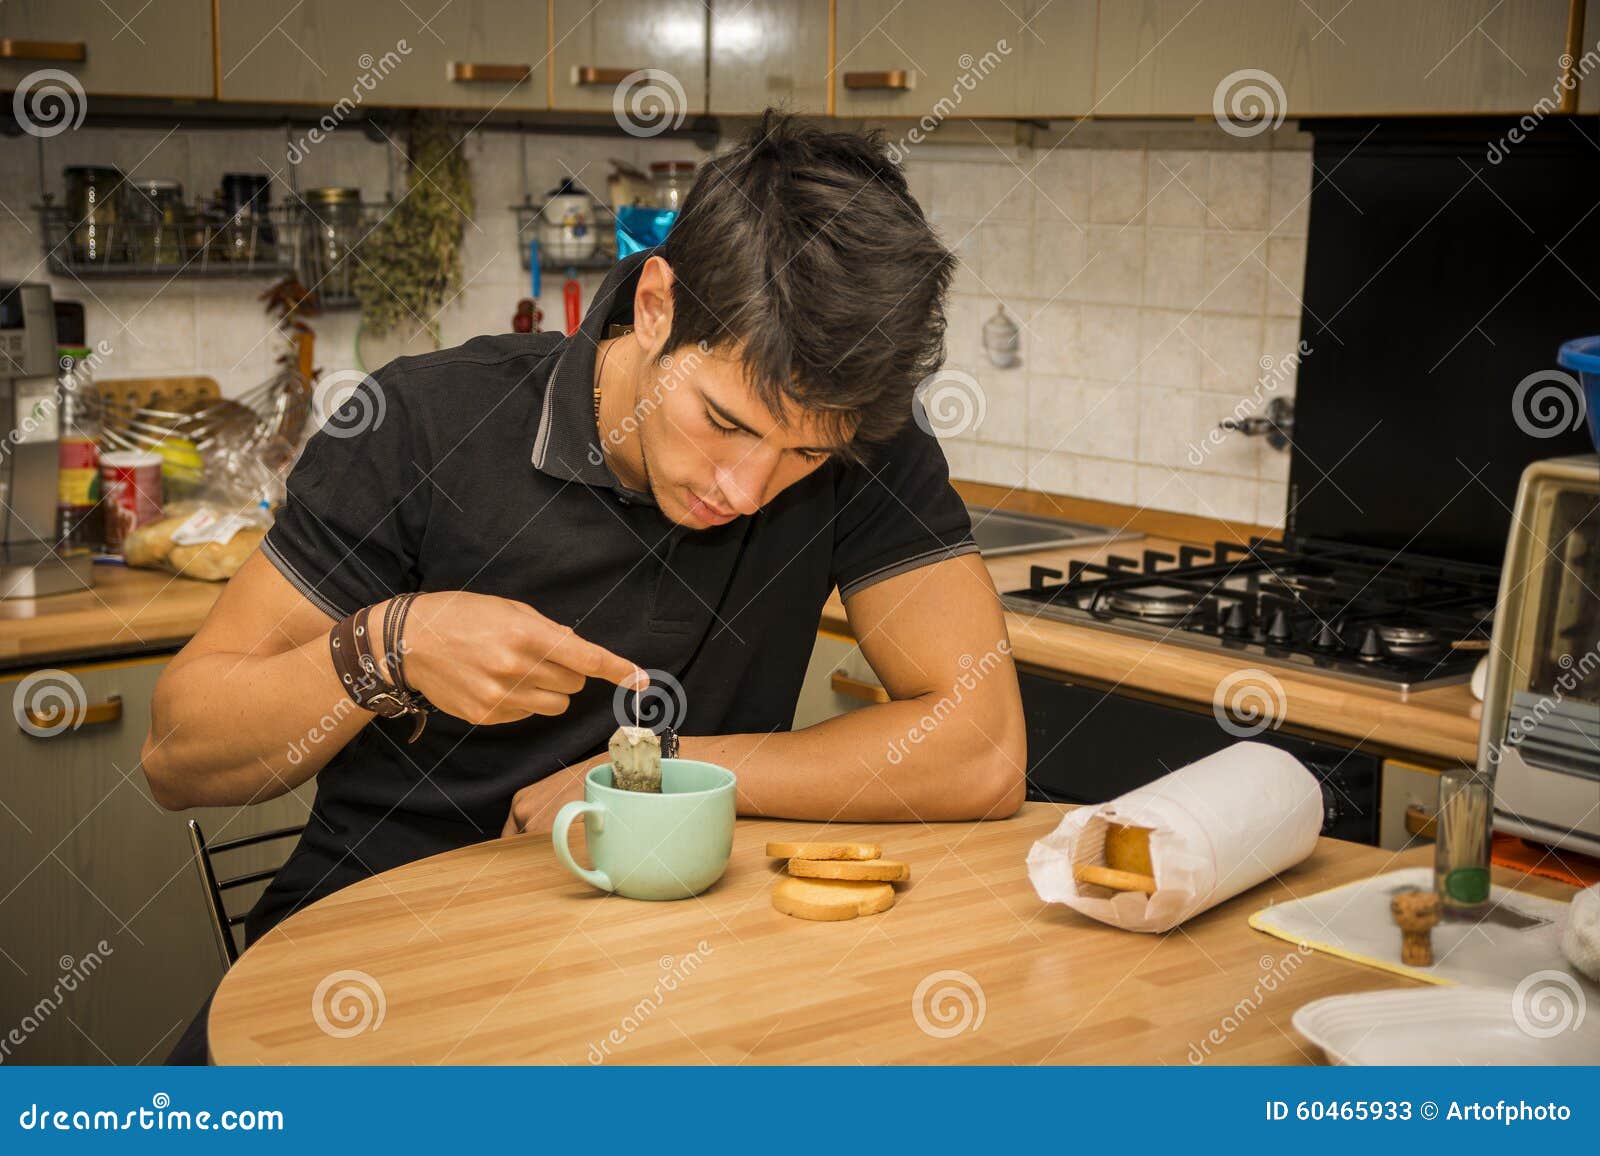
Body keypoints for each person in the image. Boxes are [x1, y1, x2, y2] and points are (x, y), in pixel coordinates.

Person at [145, 111, 1026, 1061]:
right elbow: (178, 754)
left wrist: (662, 774)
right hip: (376, 964)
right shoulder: (419, 424)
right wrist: (386, 647)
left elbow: (978, 751)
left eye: (803, 453)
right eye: (723, 421)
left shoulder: (857, 443)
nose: (746, 488)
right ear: (656, 304)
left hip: (673, 975)